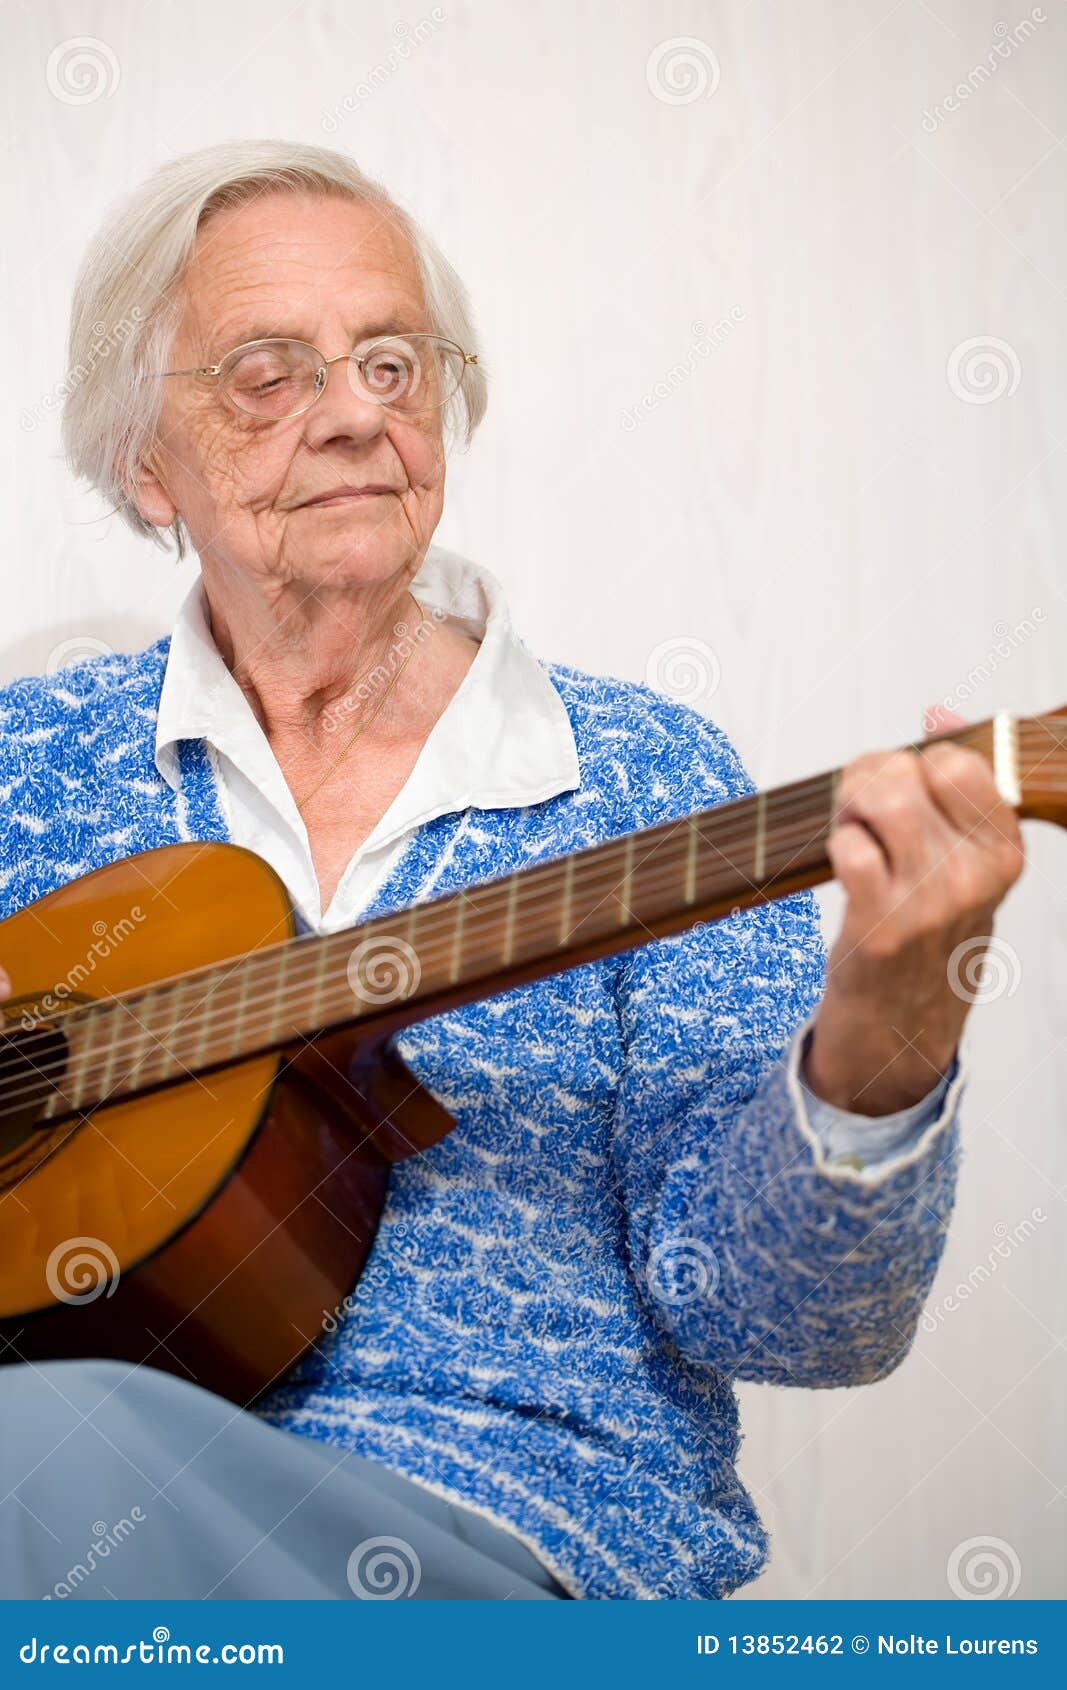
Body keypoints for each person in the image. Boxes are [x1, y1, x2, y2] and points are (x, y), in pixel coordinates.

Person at [0, 140, 1023, 1601]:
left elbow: (799, 1326)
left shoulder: (643, 772)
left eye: (394, 364)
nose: (355, 414)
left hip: (505, 1529)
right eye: (270, 371)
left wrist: (882, 1041)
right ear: (141, 463)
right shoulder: (21, 760)